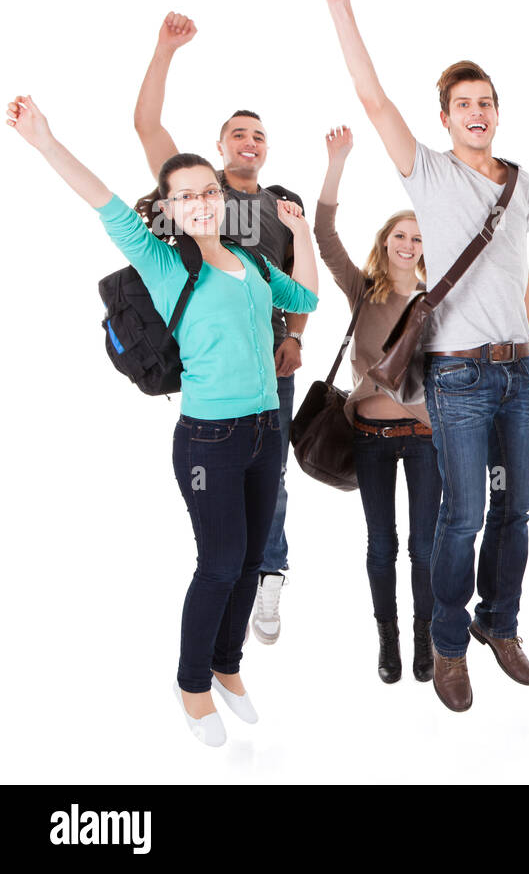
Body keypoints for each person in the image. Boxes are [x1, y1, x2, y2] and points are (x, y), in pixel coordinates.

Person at [6, 95, 319, 747]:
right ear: (171, 208)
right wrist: (44, 140)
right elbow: (105, 203)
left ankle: (228, 668)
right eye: (187, 195)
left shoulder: (255, 263)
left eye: (209, 189)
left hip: (267, 431)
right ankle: (191, 684)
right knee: (220, 563)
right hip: (211, 438)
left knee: (252, 556)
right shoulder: (164, 262)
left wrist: (302, 230)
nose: (202, 200)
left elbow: (308, 297)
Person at [320, 0, 529, 714]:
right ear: (446, 118)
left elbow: (516, 273)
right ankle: (449, 643)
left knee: (515, 508)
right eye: (463, 105)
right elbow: (373, 98)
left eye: (486, 102)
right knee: (463, 516)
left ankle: (500, 624)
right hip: (456, 380)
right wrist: (341, 6)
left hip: (516, 377)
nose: (477, 112)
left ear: (497, 112)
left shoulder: (525, 184)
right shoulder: (431, 174)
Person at [133, 12, 309, 645]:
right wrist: (165, 50)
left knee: (273, 468)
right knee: (225, 477)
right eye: (238, 133)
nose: (250, 142)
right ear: (219, 145)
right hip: (215, 369)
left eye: (259, 135)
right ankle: (231, 572)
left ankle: (268, 573)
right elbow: (148, 126)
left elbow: (297, 281)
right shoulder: (196, 193)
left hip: (271, 360)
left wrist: (294, 336)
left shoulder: (278, 204)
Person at [314, 125, 441, 684]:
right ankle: (387, 639)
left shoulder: (437, 298)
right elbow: (323, 233)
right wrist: (336, 162)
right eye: (400, 236)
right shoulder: (362, 288)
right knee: (381, 545)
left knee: (424, 547)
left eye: (418, 238)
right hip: (368, 438)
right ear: (386, 240)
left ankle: (423, 641)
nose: (409, 245)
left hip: (425, 441)